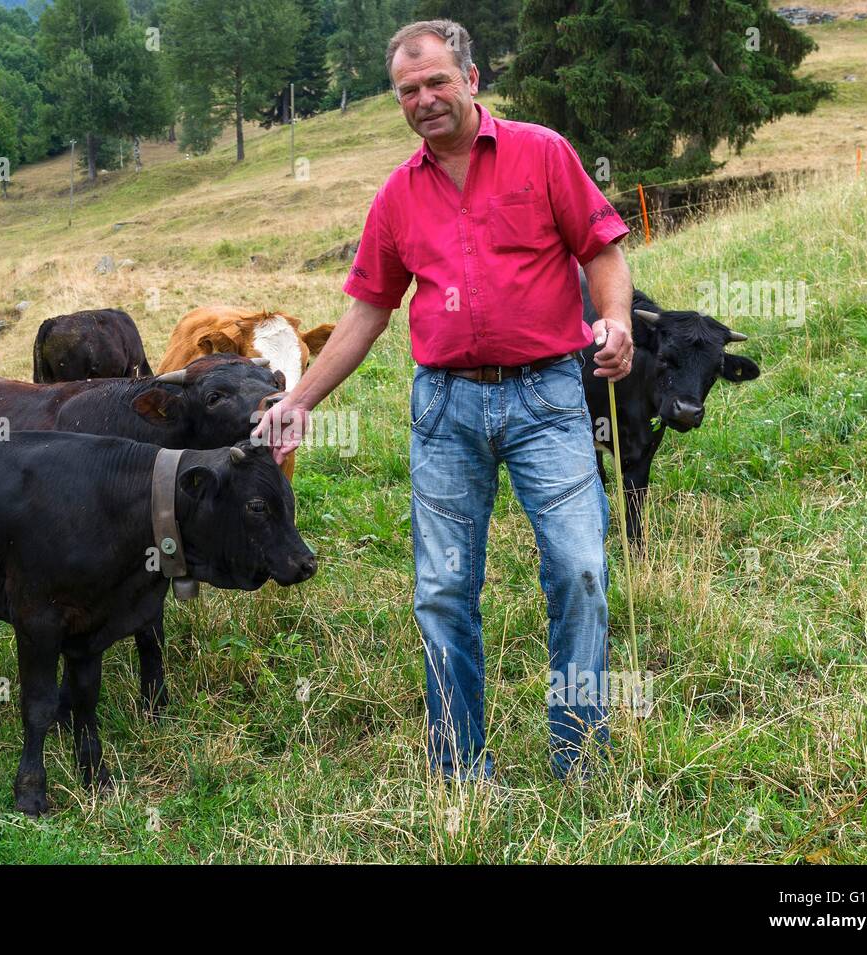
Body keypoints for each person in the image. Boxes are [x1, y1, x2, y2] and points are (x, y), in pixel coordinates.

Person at [253, 19, 634, 780]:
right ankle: (461, 765)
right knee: (442, 591)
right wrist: (301, 399)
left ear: (471, 78)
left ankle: (581, 755)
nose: (424, 100)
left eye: (436, 82)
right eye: (407, 91)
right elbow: (368, 308)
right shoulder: (398, 195)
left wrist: (616, 319)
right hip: (446, 410)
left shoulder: (543, 153)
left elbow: (600, 249)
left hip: (549, 396)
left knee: (581, 571)